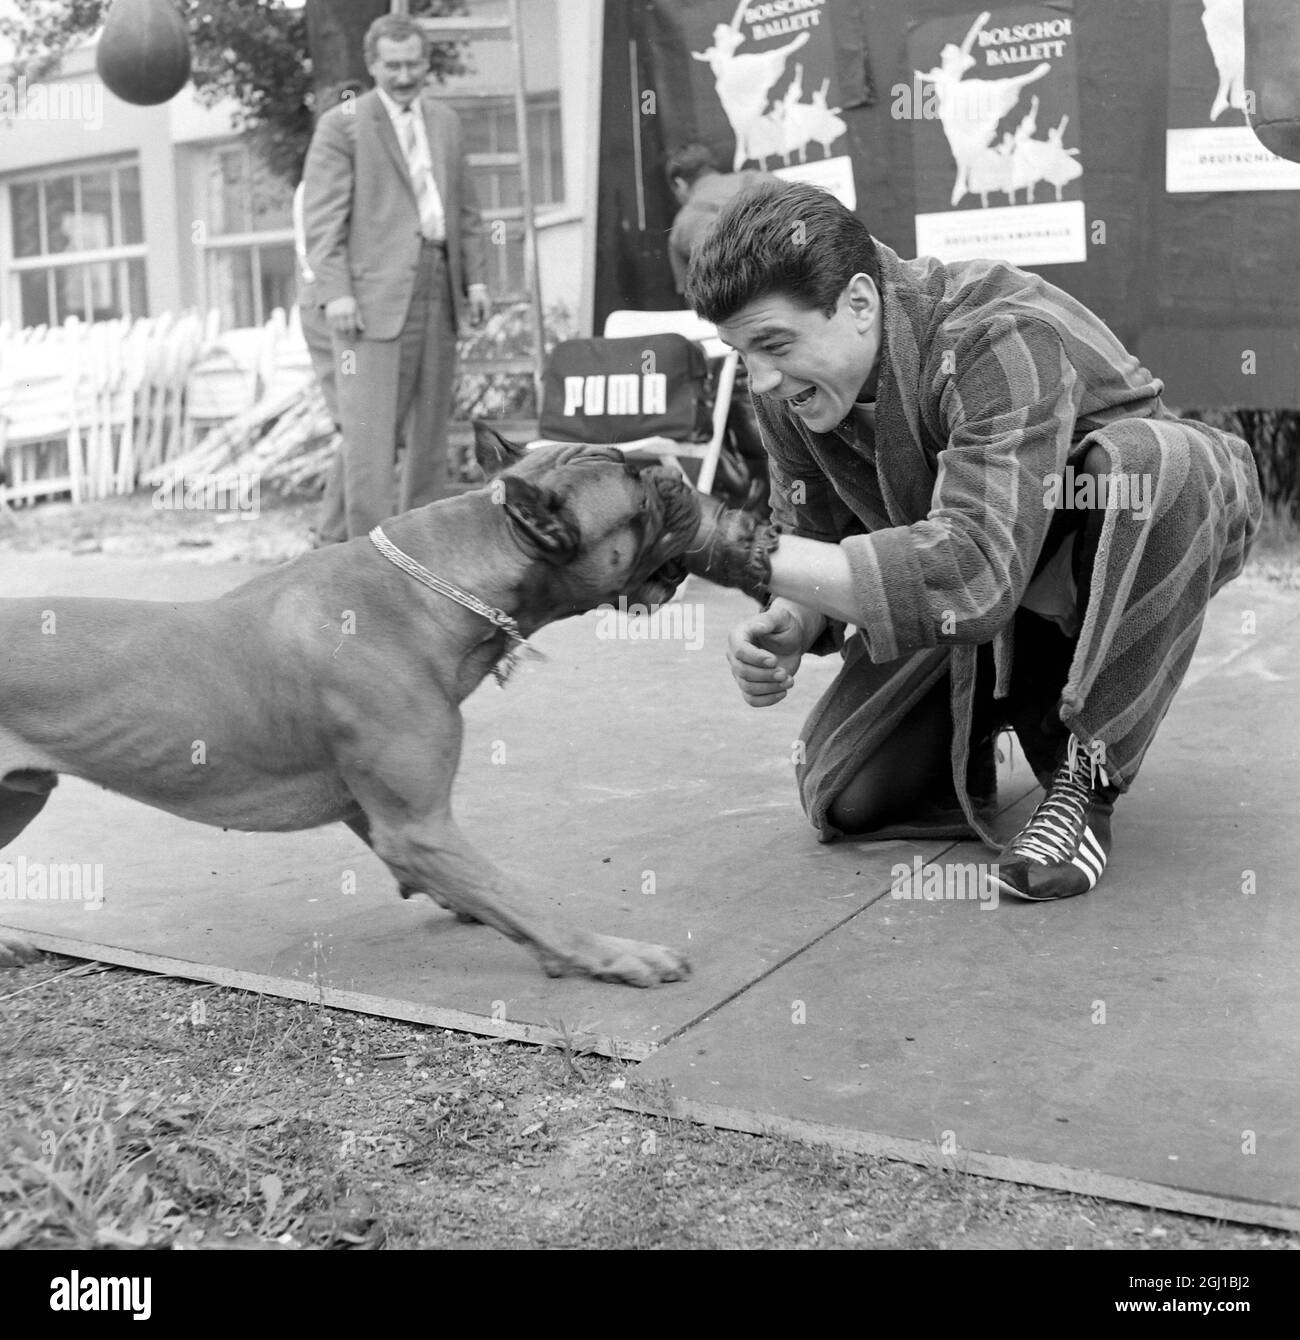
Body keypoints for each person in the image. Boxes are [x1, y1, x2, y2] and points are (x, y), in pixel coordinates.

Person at [682, 180, 1261, 902]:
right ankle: (1009, 703)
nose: (761, 379)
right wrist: (793, 621)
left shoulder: (992, 332)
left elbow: (977, 570)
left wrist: (733, 545)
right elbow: (808, 531)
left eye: (773, 345)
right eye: (742, 353)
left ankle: (1086, 775)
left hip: (1129, 531)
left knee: (1145, 468)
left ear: (859, 304)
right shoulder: (790, 390)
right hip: (977, 562)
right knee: (848, 793)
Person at [302, 13, 490, 543]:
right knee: (369, 439)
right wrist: (336, 292)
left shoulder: (446, 122)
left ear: (427, 63)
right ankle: (365, 558)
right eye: (393, 66)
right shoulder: (343, 125)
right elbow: (322, 223)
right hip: (369, 297)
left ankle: (423, 553)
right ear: (372, 65)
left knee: (430, 435)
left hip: (439, 283)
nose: (405, 76)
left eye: (414, 65)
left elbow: (467, 212)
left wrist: (474, 282)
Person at [665, 143, 773, 297]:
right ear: (710, 167)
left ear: (679, 184)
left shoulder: (680, 228)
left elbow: (690, 299)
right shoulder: (762, 178)